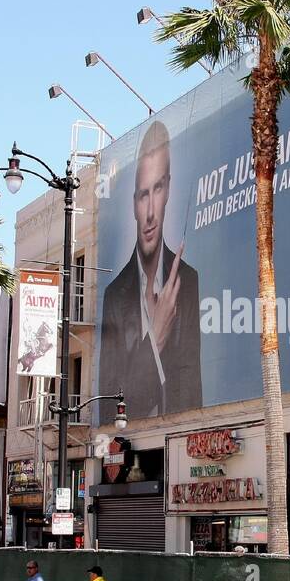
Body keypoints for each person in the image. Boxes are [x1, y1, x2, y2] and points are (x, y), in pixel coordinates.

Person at [98, 120, 202, 419]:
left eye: (157, 189)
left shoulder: (188, 281)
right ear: (134, 204)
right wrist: (154, 339)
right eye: (144, 195)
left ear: (168, 189)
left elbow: (192, 396)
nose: (151, 213)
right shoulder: (115, 295)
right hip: (129, 443)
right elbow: (107, 410)